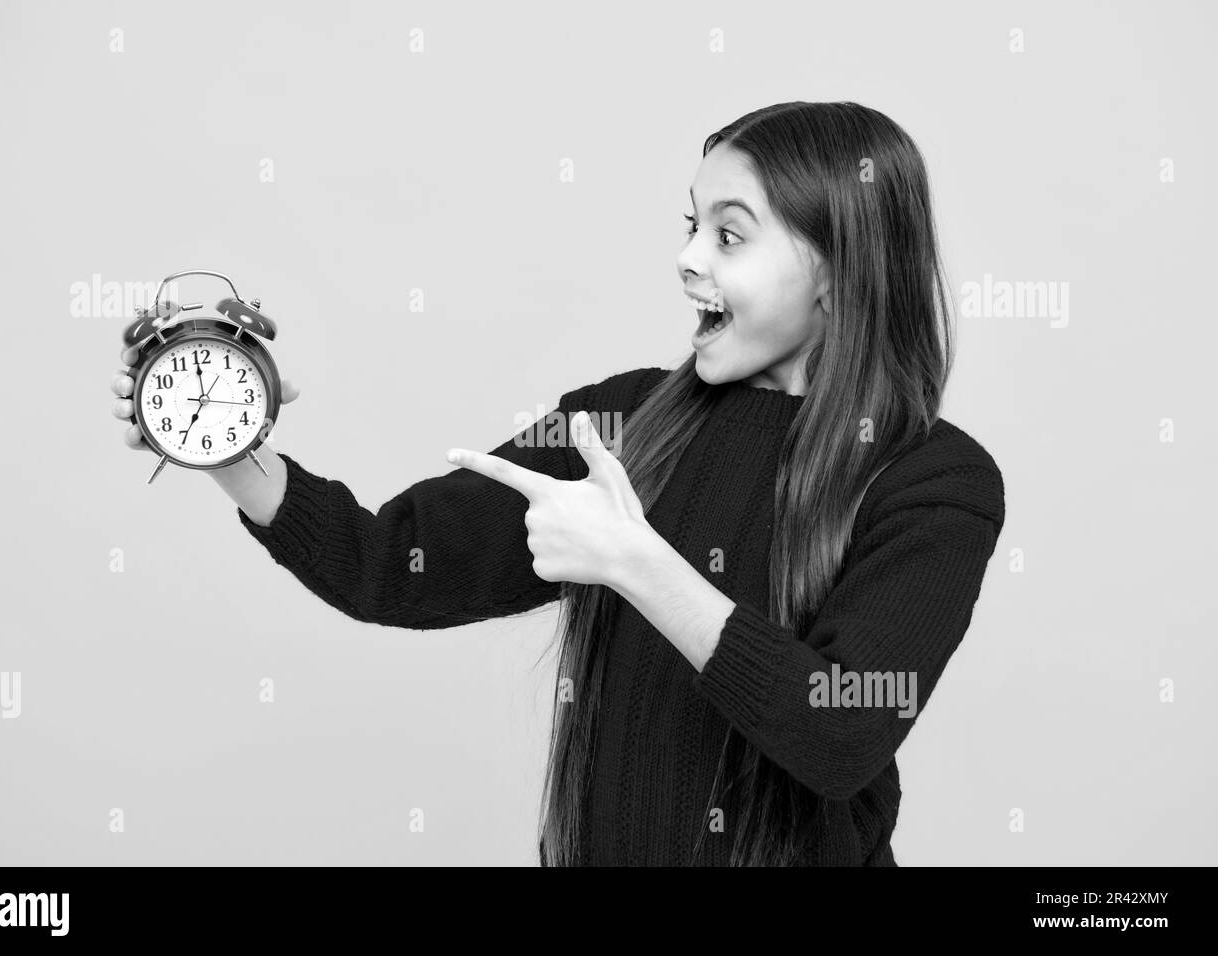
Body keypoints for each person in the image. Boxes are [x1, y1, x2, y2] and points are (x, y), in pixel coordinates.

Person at [109, 101, 1005, 866]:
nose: (689, 259)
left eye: (729, 235)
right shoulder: (614, 422)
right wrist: (222, 440)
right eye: (689, 227)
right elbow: (387, 566)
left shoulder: (937, 483)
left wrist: (634, 563)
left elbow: (841, 731)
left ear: (841, 271)